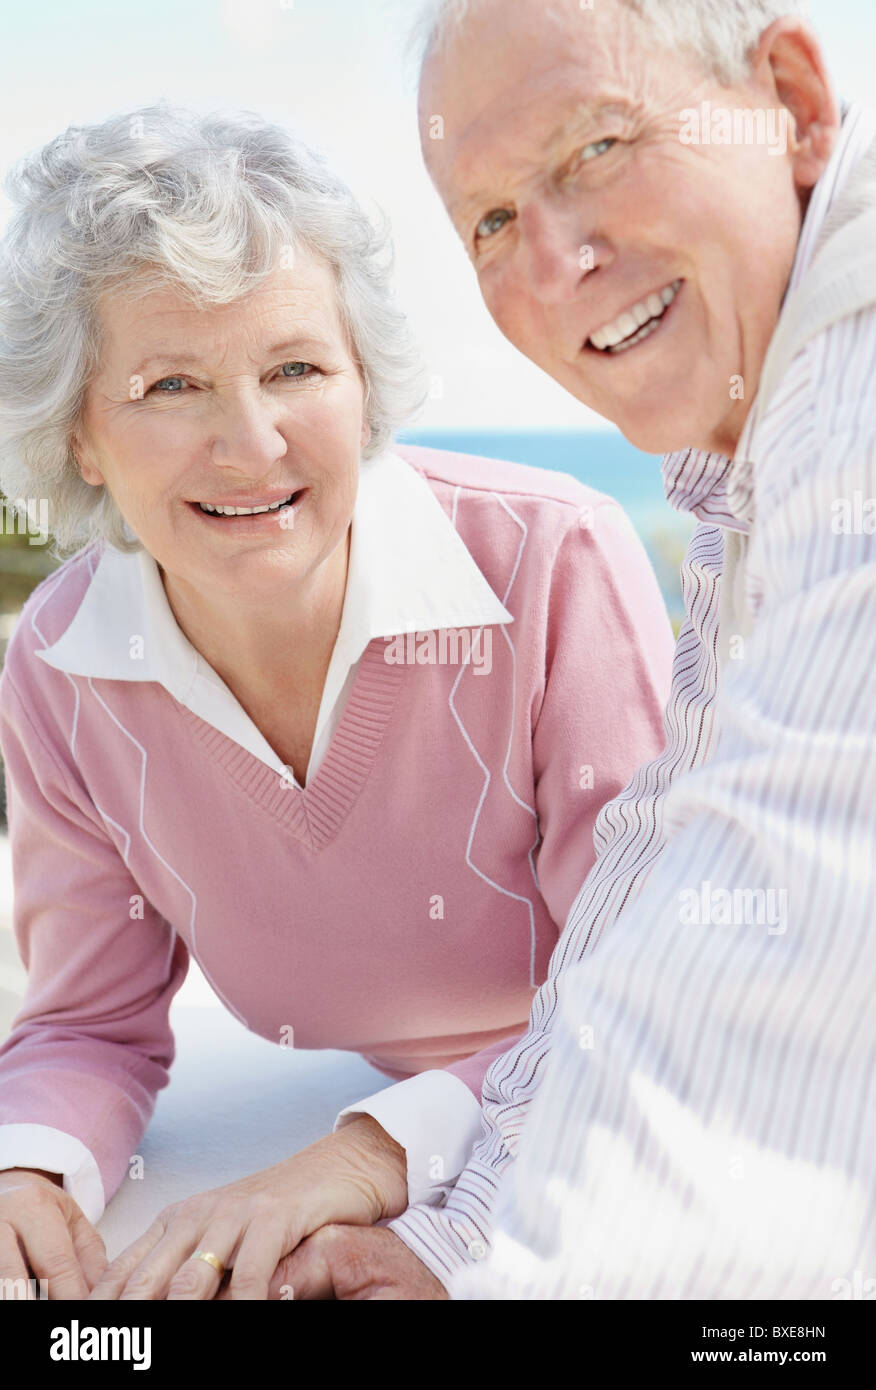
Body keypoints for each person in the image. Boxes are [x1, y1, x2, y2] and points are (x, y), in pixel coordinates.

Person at [0, 102, 673, 1300]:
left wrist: (364, 1154)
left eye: (296, 367)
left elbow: (661, 1004)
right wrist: (32, 1173)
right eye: (169, 385)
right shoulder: (61, 667)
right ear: (81, 438)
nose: (250, 443)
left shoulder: (553, 560)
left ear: (363, 383)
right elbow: (88, 1023)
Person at [266, 0, 876, 1299]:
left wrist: (512, 1277)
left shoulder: (850, 413)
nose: (551, 262)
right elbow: (660, 893)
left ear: (796, 105)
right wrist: (462, 1233)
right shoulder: (747, 451)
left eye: (595, 149)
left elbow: (794, 913)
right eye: (490, 221)